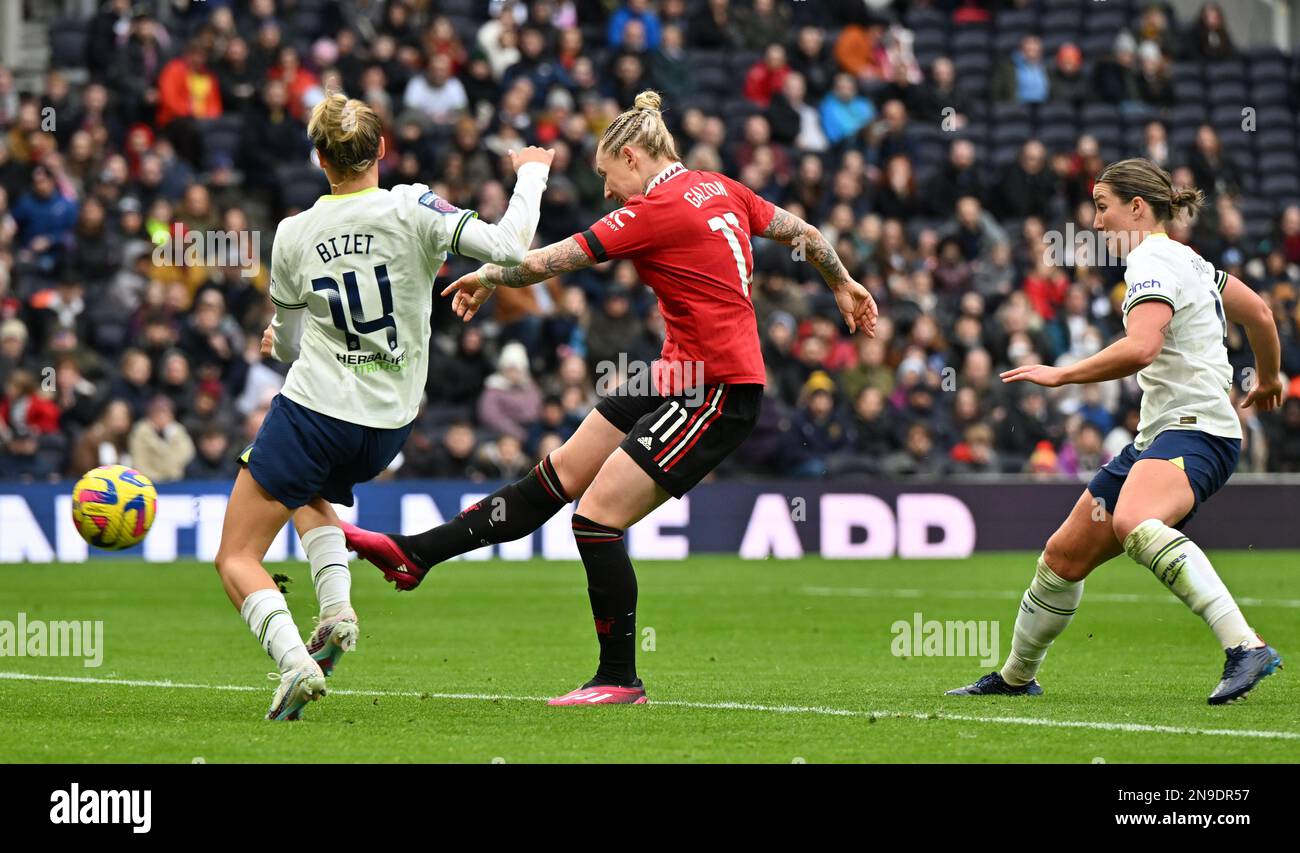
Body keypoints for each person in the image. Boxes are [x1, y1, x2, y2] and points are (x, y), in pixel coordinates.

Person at [341, 90, 876, 706]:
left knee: (595, 520)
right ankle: (418, 554)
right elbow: (803, 233)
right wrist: (844, 283)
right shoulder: (719, 186)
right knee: (560, 474)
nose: (606, 191)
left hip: (716, 389)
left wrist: (487, 276)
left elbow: (540, 262)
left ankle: (620, 677)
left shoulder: (655, 210)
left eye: (605, 175)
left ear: (631, 156)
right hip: (673, 374)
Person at [214, 92, 553, 721]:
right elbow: (508, 246)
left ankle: (295, 665)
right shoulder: (413, 206)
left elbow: (287, 348)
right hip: (388, 426)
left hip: (316, 409)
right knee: (302, 492)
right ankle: (337, 611)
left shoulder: (293, 233)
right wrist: (532, 170)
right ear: (383, 150)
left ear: (319, 159)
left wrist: (275, 338)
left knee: (235, 556)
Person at [948, 159, 1284, 705]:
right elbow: (1262, 315)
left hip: (1196, 431)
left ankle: (1245, 646)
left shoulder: (1151, 259)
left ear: (1137, 207)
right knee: (1063, 557)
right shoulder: (1192, 261)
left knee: (1133, 519)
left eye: (1103, 207)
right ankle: (1015, 677)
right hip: (1162, 435)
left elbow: (1142, 347)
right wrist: (1270, 378)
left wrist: (1063, 373)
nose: (1096, 222)